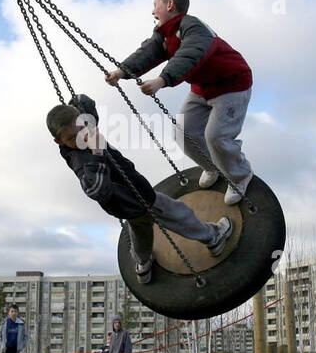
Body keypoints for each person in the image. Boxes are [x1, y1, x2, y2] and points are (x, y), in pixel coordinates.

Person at [47, 101, 233, 285]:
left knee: (140, 231)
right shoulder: (80, 158)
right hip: (138, 198)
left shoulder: (85, 127)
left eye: (82, 129)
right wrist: (96, 152)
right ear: (59, 141)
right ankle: (212, 237)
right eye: (72, 138)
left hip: (126, 205)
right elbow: (95, 189)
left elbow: (86, 102)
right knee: (177, 212)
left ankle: (143, 264)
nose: (81, 137)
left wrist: (78, 106)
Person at [106, 0, 255, 205]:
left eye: (155, 4)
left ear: (169, 5)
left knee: (216, 136)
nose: (152, 10)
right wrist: (121, 71)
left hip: (231, 86)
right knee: (183, 133)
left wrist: (162, 80)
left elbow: (190, 55)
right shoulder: (164, 35)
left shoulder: (194, 28)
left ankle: (240, 175)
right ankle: (211, 168)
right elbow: (147, 52)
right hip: (202, 89)